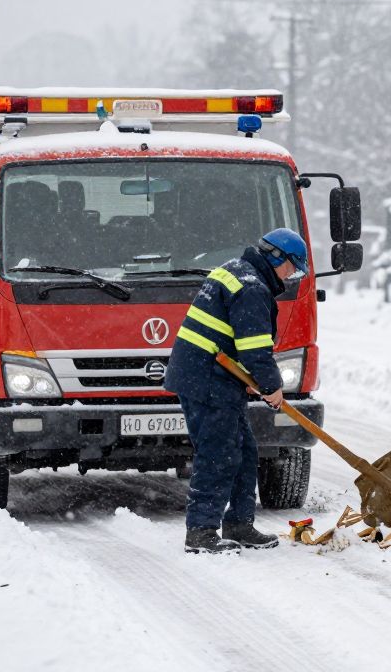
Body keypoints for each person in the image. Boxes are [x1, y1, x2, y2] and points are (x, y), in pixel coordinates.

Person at [165, 228, 308, 554]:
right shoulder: (252, 288)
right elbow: (255, 349)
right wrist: (271, 388)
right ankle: (201, 532)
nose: (292, 276)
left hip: (210, 375)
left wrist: (251, 378)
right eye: (292, 267)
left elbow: (230, 334)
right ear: (276, 257)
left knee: (243, 452)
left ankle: (239, 523)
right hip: (207, 380)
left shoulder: (235, 271)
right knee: (218, 455)